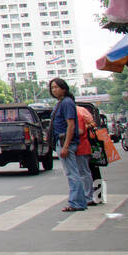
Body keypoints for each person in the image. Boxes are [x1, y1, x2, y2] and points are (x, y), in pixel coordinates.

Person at [50, 77, 90, 212]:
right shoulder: (61, 102)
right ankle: (79, 202)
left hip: (65, 142)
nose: (54, 90)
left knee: (72, 174)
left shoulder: (66, 102)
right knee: (72, 173)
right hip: (61, 141)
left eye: (56, 87)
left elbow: (71, 125)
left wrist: (66, 146)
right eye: (52, 88)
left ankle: (77, 203)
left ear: (64, 88)